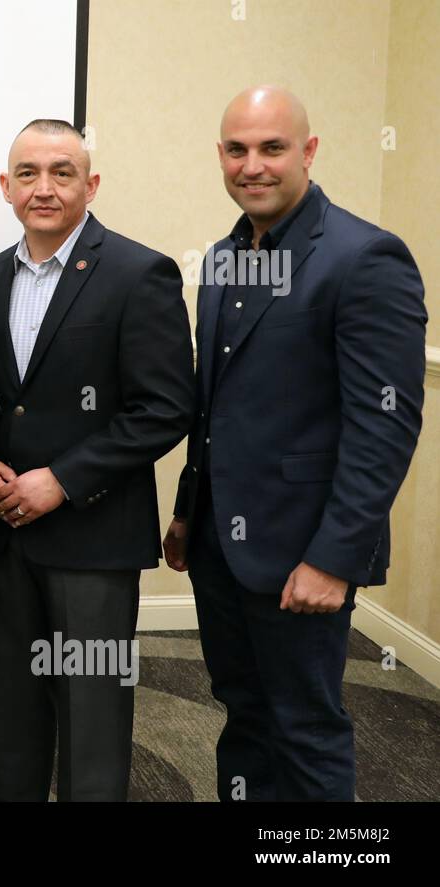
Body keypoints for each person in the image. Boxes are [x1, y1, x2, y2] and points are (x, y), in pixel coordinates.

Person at [163, 86, 428, 802]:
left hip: (304, 555)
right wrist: (191, 511)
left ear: (308, 152)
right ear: (221, 156)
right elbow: (213, 406)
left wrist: (334, 559)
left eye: (272, 148)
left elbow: (386, 425)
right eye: (238, 150)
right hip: (222, 545)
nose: (253, 165)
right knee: (243, 714)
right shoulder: (222, 258)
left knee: (305, 728)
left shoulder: (365, 257)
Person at [0, 119, 194, 801]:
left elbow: (165, 407)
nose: (44, 187)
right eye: (27, 173)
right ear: (6, 187)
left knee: (93, 718)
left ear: (90, 185)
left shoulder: (137, 271)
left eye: (62, 172)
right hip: (4, 537)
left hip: (93, 539)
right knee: (11, 709)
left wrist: (62, 481)